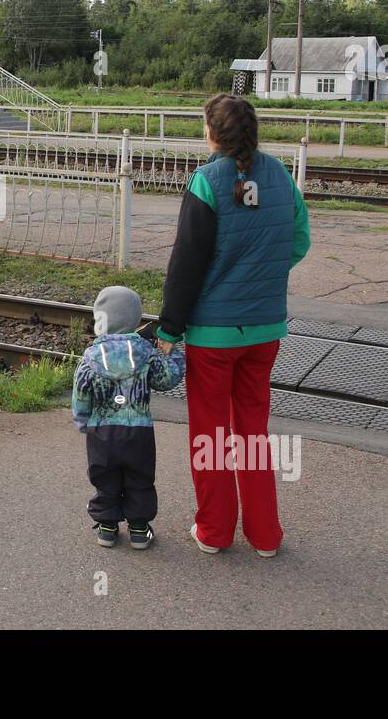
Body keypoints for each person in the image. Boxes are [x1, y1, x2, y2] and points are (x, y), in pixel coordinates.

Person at [153, 93, 310, 558]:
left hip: (213, 336)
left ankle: (215, 530)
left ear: (213, 133)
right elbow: (298, 241)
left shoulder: (206, 181)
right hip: (266, 331)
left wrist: (168, 328)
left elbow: (187, 264)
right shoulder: (280, 174)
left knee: (211, 434)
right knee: (253, 431)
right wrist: (262, 275)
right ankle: (265, 535)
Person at [72, 285, 185, 549]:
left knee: (105, 477)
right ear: (135, 319)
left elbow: (81, 393)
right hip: (139, 432)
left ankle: (107, 527)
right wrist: (171, 353)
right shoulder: (146, 353)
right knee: (140, 478)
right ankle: (139, 529)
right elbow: (167, 379)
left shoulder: (90, 357)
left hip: (102, 432)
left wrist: (82, 421)